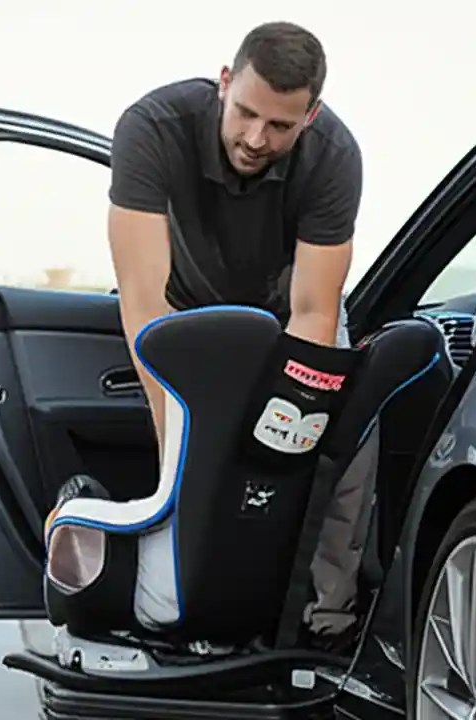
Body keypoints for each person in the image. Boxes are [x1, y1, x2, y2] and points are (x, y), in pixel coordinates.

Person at [107, 21, 361, 449]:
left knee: (317, 461)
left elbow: (314, 313)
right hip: (184, 313)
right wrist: (176, 449)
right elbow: (145, 306)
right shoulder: (150, 129)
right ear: (225, 82)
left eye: (280, 126)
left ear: (310, 116)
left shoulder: (333, 157)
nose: (256, 139)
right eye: (246, 113)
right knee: (188, 461)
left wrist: (274, 443)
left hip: (285, 319)